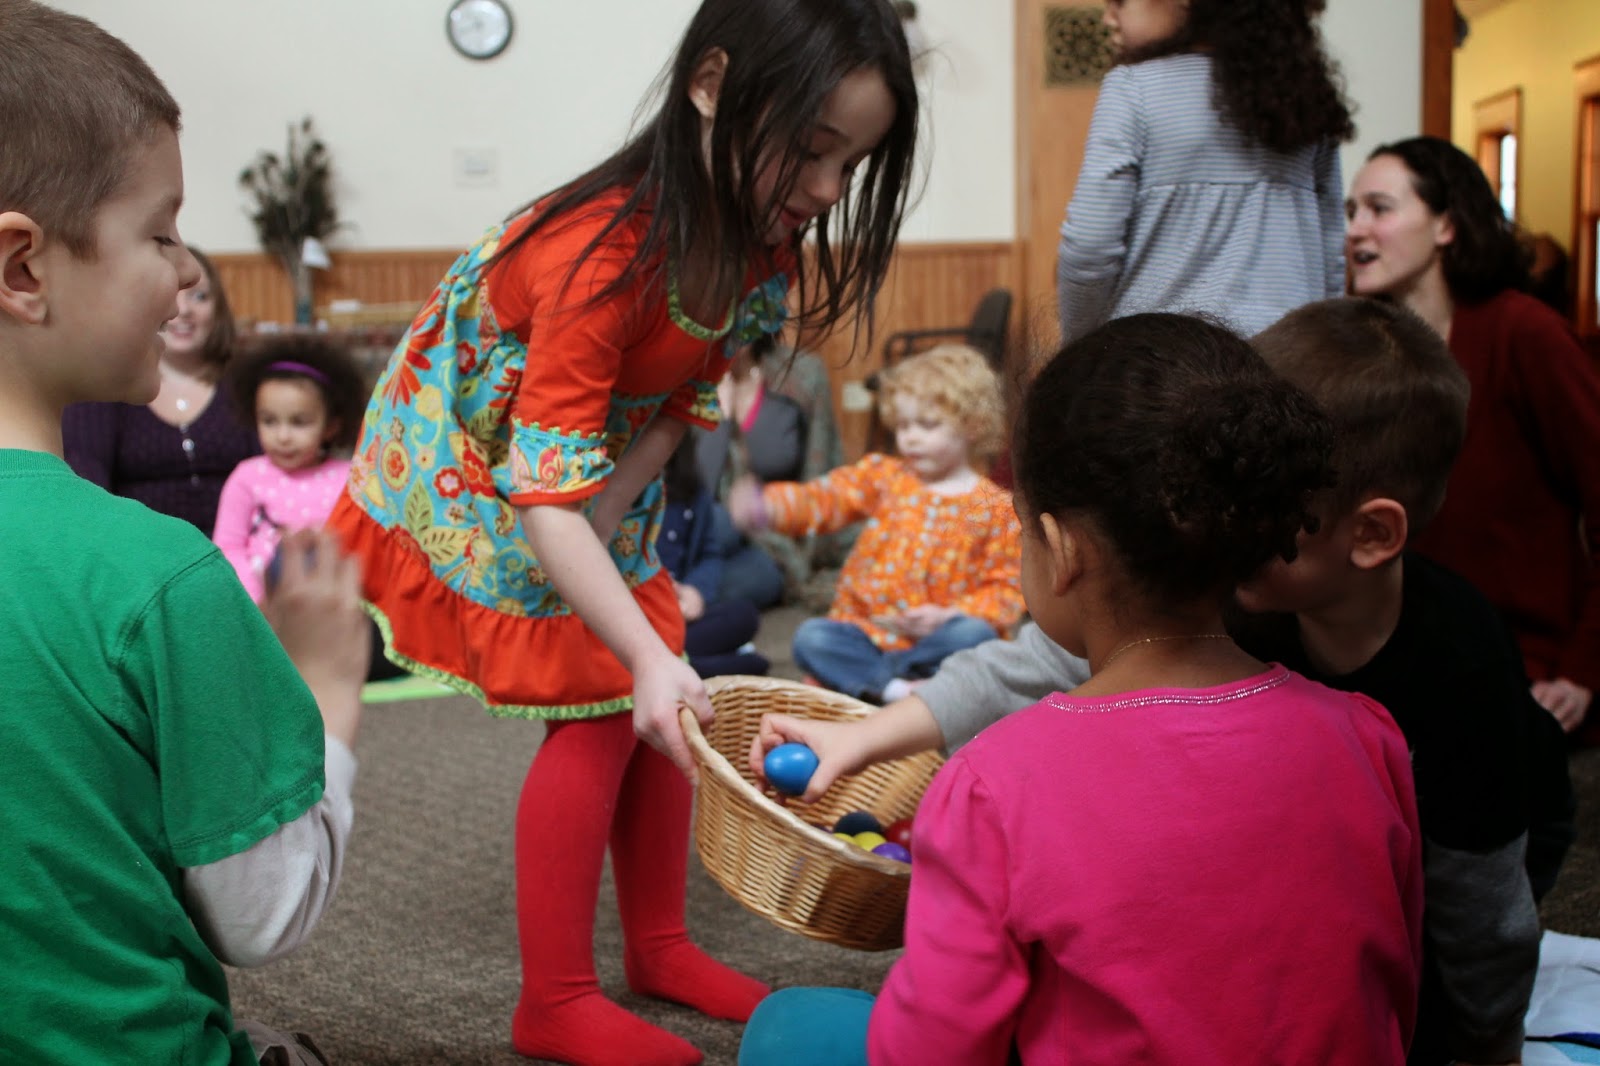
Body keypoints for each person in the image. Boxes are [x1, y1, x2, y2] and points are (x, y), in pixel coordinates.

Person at [324, 1, 918, 1061]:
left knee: (660, 671)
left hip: (588, 469)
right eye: (812, 149)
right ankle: (551, 999)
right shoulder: (598, 254)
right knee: (603, 692)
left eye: (852, 163)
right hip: (476, 462)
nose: (830, 189)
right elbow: (538, 497)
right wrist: (614, 608)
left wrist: (610, 528)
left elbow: (683, 400)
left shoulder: (760, 241)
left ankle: (657, 945)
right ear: (710, 85)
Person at [771, 299, 1570, 1066]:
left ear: (1060, 548)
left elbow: (932, 1049)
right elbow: (1389, 974)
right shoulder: (1371, 736)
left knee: (787, 1026)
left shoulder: (986, 789)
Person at [0, 4, 371, 1064]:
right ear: (23, 269)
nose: (184, 273)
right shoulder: (160, 576)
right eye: (161, 232)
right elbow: (266, 912)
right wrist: (325, 684)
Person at [1346, 135, 1600, 737]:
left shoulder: (1524, 334)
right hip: (1405, 680)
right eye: (1351, 211)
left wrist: (1583, 670)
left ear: (1447, 226)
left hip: (1525, 677)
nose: (1355, 230)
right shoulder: (1359, 347)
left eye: (1380, 208)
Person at [729, 344, 1024, 704]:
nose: (910, 437)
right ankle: (899, 690)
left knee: (976, 636)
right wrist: (770, 507)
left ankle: (873, 683)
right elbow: (828, 497)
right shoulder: (886, 476)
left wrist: (948, 616)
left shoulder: (996, 508)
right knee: (812, 637)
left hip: (937, 640)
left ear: (973, 426)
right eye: (903, 425)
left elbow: (1005, 588)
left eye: (927, 425)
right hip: (866, 633)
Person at [1056, 0, 1351, 343]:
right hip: (1286, 354)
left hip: (1165, 356)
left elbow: (1089, 247)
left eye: (1119, 2)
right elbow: (1330, 255)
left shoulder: (1134, 89)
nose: (1108, 18)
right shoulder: (1304, 98)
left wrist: (1078, 347)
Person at [62, 243, 261, 534]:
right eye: (168, 293)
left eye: (200, 296)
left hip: (241, 552)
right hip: (140, 551)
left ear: (219, 308)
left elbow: (276, 477)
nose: (184, 309)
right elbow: (88, 486)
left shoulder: (247, 383)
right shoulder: (107, 385)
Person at [695, 333, 850, 603]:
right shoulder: (687, 381)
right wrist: (721, 418)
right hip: (706, 528)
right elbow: (699, 484)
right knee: (718, 526)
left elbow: (823, 470)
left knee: (731, 588)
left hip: (773, 539)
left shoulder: (800, 375)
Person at [213, 335, 367, 602]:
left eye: (299, 422)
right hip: (260, 608)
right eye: (269, 421)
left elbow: (362, 548)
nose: (283, 436)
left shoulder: (351, 478)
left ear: (331, 426)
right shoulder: (247, 477)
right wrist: (255, 599)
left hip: (331, 607)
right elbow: (228, 546)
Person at [660, 432, 772, 678]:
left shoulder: (690, 489)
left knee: (743, 616)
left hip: (679, 618)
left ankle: (681, 665)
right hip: (641, 622)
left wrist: (696, 592)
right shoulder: (623, 496)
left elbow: (709, 554)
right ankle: (691, 667)